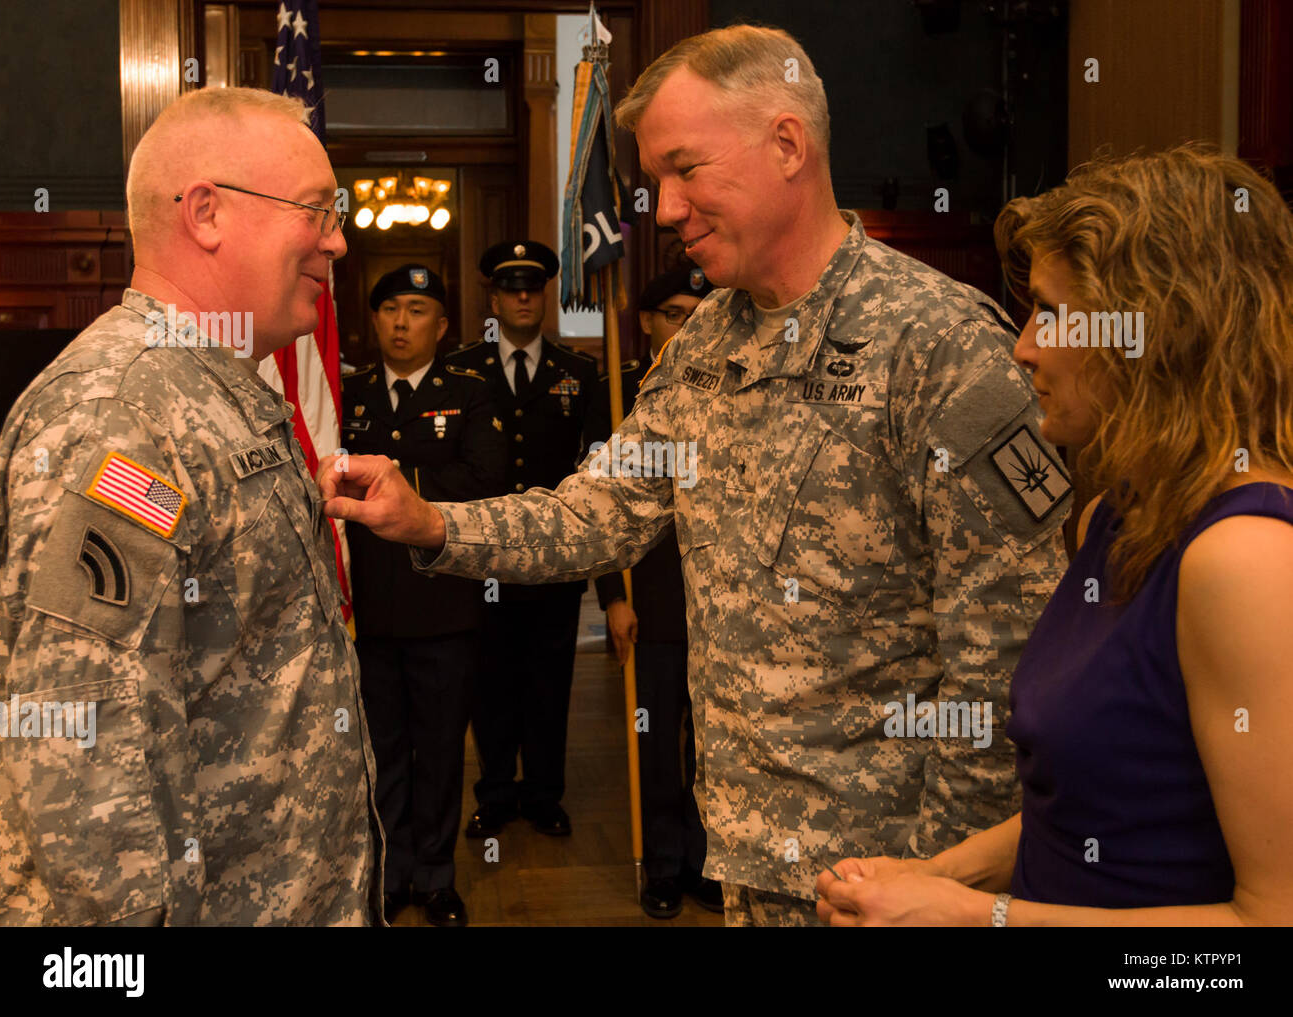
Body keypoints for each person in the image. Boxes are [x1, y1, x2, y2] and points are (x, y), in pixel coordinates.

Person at [319, 25, 1070, 926]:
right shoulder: (707, 341)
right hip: (745, 854)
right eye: (652, 184)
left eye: (685, 171)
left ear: (787, 144)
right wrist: (434, 523)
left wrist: (948, 882)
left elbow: (1008, 658)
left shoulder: (943, 348)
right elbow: (600, 511)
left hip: (892, 877)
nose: (664, 210)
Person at [816, 145, 1293, 927]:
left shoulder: (1245, 558)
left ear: (1154, 332)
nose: (1024, 345)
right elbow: (1086, 810)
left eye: (1055, 313)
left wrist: (977, 916)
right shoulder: (1116, 510)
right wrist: (939, 873)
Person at [0, 87, 384, 926]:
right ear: (206, 213)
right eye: (315, 212)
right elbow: (85, 755)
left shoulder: (216, 390)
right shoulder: (125, 416)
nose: (338, 241)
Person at [342, 264, 504, 927]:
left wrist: (395, 484)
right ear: (373, 320)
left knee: (439, 749)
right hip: (371, 607)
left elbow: (484, 478)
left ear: (441, 325)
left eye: (417, 310)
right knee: (381, 751)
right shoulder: (345, 396)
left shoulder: (469, 392)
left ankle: (436, 876)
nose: (401, 323)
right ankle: (390, 872)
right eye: (389, 310)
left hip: (443, 607)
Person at [446, 241, 598, 840]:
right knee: (490, 683)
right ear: (495, 298)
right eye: (512, 288)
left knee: (548, 683)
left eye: (533, 287)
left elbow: (593, 470)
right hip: (483, 562)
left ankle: (543, 794)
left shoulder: (577, 373)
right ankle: (495, 794)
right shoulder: (463, 371)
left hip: (554, 564)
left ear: (547, 296)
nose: (524, 297)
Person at [587, 265, 722, 919]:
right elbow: (596, 505)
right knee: (654, 739)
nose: (687, 326)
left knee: (712, 739)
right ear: (644, 321)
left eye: (699, 313)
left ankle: (704, 861)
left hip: (719, 598)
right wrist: (612, 595)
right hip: (651, 593)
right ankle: (663, 865)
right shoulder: (614, 388)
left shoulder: (733, 386)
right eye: (674, 313)